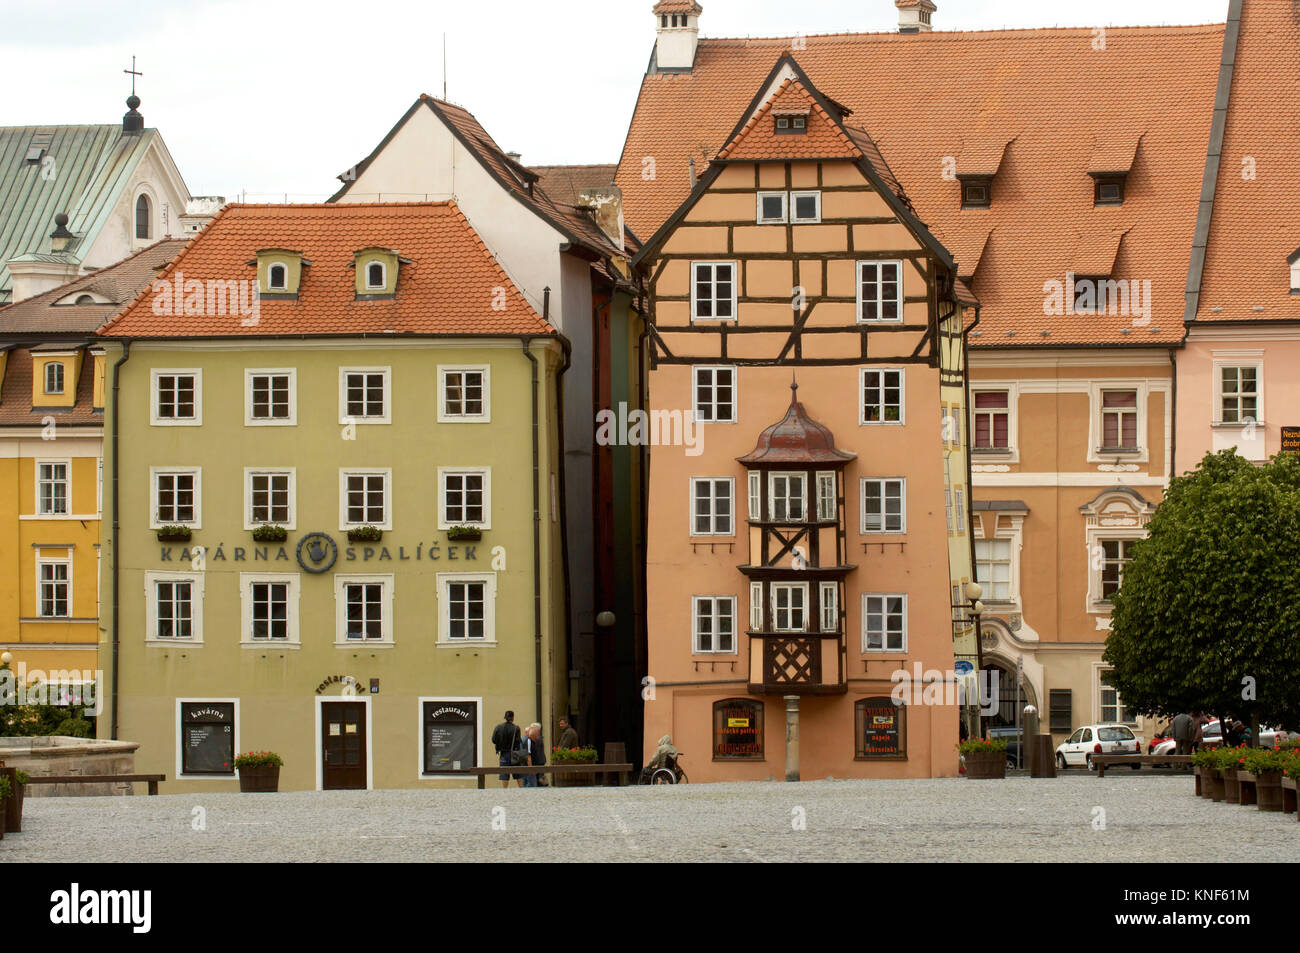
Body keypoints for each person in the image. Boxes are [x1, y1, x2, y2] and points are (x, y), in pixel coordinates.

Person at [491, 710, 523, 788]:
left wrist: (500, 745)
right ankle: (521, 789)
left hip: (503, 753)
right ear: (512, 718)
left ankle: (504, 790)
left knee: (504, 774)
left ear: (505, 717)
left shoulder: (498, 727)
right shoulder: (516, 728)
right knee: (518, 774)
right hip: (515, 753)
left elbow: (493, 739)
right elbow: (518, 741)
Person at [521, 723, 546, 788]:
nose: (537, 737)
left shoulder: (535, 740)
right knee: (532, 785)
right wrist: (531, 769)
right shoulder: (528, 741)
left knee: (528, 784)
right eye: (536, 735)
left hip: (532, 765)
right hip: (530, 766)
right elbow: (528, 756)